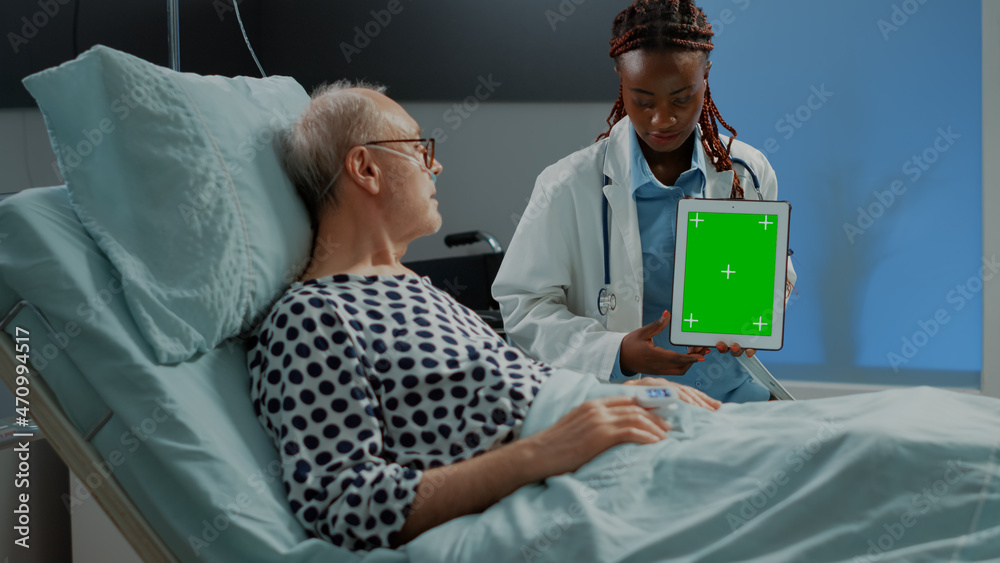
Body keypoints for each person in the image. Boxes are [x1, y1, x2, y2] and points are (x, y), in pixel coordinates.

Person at [246, 81, 721, 552]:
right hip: (572, 464)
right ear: (366, 168)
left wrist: (612, 395)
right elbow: (347, 504)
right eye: (418, 147)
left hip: (606, 422)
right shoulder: (312, 317)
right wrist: (549, 447)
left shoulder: (416, 292)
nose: (436, 164)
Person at [492, 0, 797, 403]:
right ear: (621, 81)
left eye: (681, 98)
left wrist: (754, 318)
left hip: (734, 394)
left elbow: (776, 273)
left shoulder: (746, 170)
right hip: (627, 401)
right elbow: (524, 308)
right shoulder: (566, 184)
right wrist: (617, 353)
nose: (662, 120)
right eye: (644, 100)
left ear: (706, 76)